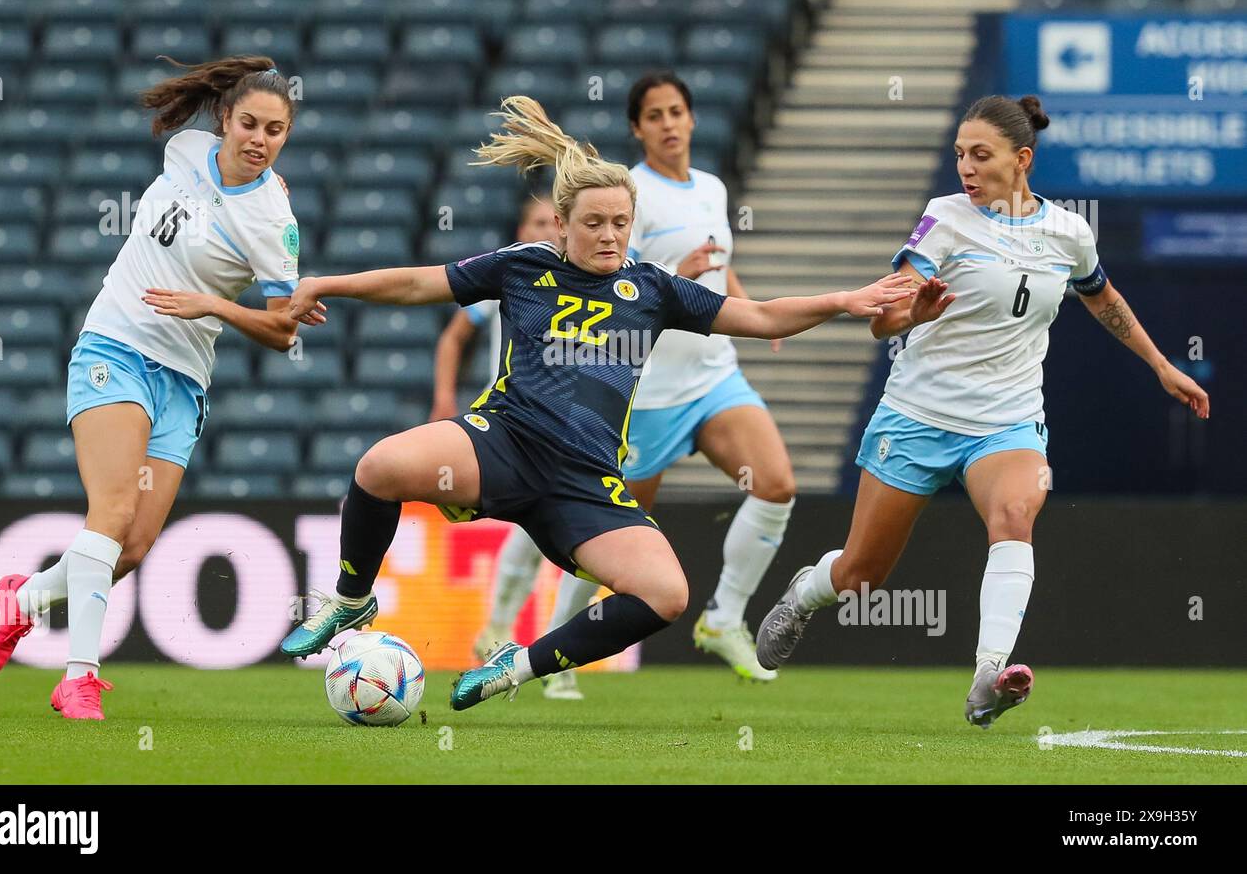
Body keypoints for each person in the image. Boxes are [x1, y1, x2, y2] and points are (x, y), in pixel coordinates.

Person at [276, 96, 913, 713]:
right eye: (594, 223)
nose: (609, 236)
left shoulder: (654, 288)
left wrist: (843, 301)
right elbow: (421, 282)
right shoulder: (522, 267)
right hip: (504, 441)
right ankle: (352, 597)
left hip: (584, 482)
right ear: (561, 224)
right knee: (378, 467)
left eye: (620, 223)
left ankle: (517, 665)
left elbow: (759, 314)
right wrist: (329, 283)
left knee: (666, 594)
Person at [754, 95, 1210, 728]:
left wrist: (1160, 364)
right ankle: (806, 592)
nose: (966, 168)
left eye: (981, 155)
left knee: (1016, 514)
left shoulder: (1069, 232)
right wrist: (910, 314)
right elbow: (882, 320)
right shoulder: (944, 219)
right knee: (863, 574)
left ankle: (989, 676)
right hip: (917, 413)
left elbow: (1101, 296)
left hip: (1008, 419)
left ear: (1022, 160)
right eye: (960, 155)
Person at [0, 56, 323, 720]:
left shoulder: (273, 221)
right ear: (224, 119)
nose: (258, 139)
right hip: (116, 347)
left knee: (130, 548)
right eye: (248, 123)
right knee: (108, 514)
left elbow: (283, 332)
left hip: (185, 378)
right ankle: (79, 678)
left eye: (275, 131)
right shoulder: (185, 148)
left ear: (286, 137)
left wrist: (216, 306)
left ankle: (21, 601)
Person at [616, 70, 797, 682]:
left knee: (775, 485)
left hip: (714, 376)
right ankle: (559, 653)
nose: (668, 124)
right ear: (637, 128)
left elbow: (718, 270)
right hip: (649, 392)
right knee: (618, 538)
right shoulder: (629, 195)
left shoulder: (713, 188)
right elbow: (619, 290)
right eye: (655, 115)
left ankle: (724, 616)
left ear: (692, 119)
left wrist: (755, 314)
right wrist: (674, 269)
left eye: (676, 112)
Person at [431, 194, 590, 700]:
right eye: (536, 223)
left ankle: (513, 635)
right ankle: (536, 645)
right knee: (540, 525)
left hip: (578, 427)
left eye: (552, 223)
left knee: (547, 528)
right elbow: (454, 336)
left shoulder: (586, 281)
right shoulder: (507, 275)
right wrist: (443, 397)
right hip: (510, 423)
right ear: (522, 229)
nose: (546, 231)